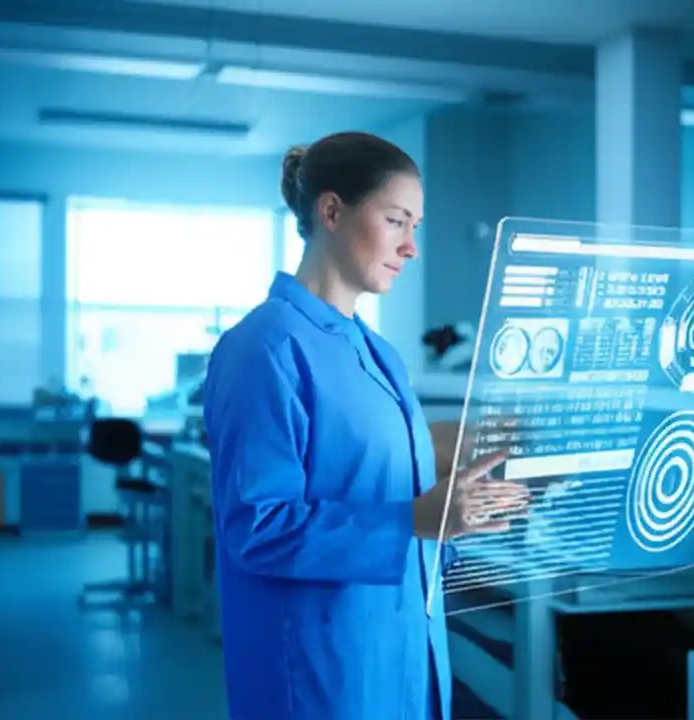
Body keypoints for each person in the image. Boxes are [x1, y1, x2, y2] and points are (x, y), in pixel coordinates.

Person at [203, 131, 529, 720]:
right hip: (320, 668)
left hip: (404, 650)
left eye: (417, 227)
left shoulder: (379, 355)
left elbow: (388, 494)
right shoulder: (263, 348)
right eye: (397, 221)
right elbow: (256, 525)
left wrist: (462, 513)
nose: (412, 247)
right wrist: (414, 518)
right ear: (331, 211)